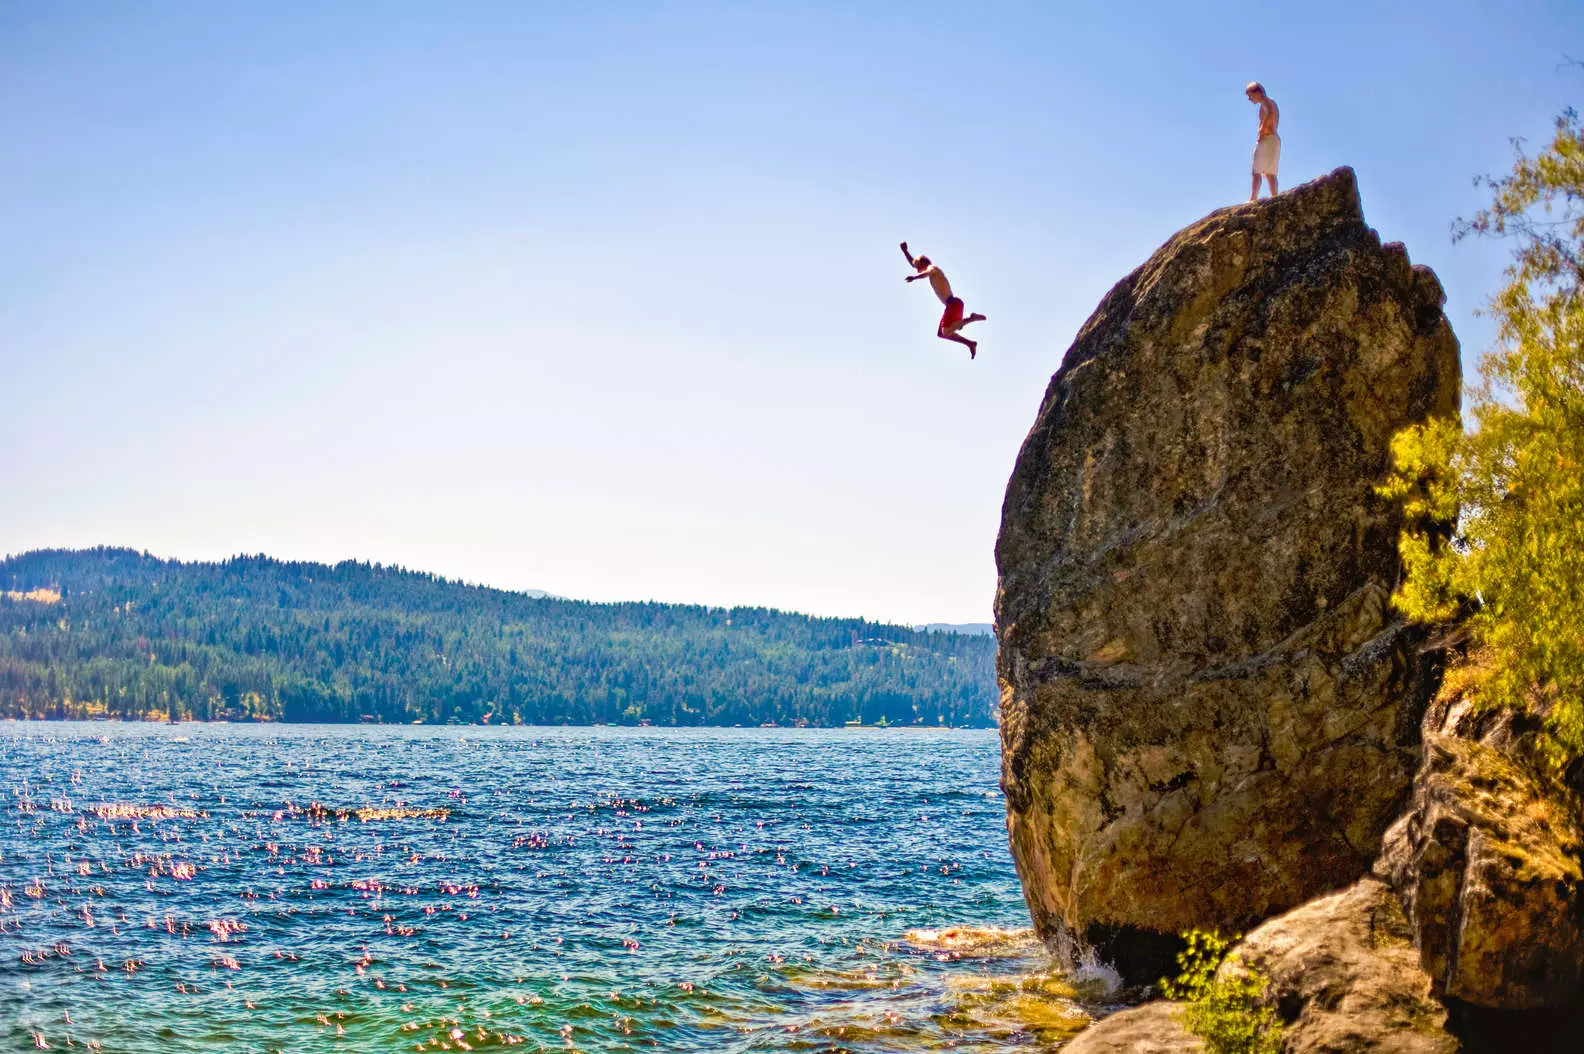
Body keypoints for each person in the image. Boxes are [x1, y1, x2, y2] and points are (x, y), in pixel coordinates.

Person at [900, 242, 986, 359]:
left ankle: (972, 318)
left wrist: (915, 278)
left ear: (922, 264)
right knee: (942, 333)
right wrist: (905, 251)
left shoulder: (932, 268)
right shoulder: (928, 270)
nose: (917, 271)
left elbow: (926, 272)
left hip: (954, 304)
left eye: (918, 268)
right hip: (953, 305)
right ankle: (970, 343)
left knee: (946, 331)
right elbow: (913, 263)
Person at [1246, 81, 1280, 200]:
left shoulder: (1266, 102)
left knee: (1257, 171)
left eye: (1250, 95)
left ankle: (1253, 198)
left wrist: (1261, 129)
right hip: (1271, 140)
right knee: (1268, 173)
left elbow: (1271, 113)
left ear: (1258, 92)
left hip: (1268, 139)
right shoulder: (1266, 103)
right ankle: (1275, 197)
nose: (1249, 99)